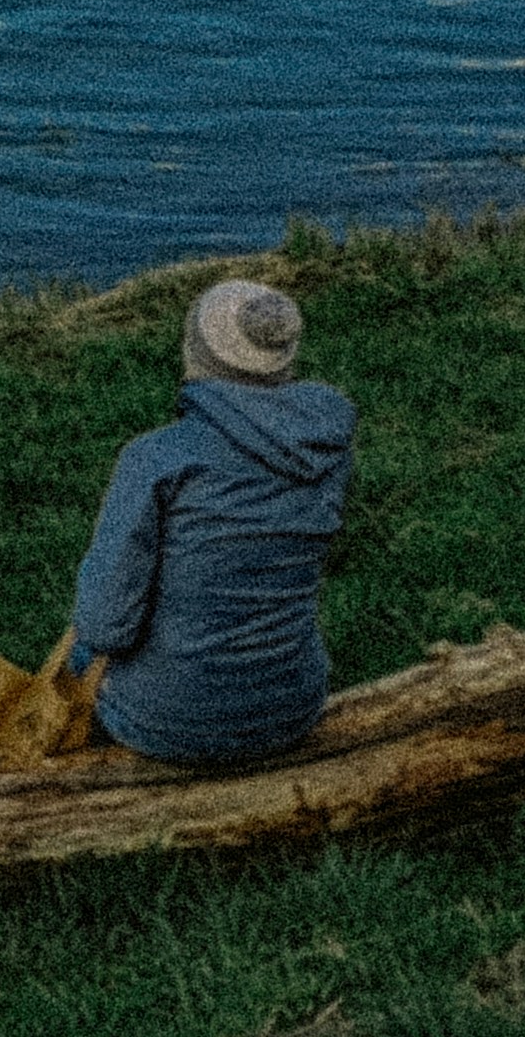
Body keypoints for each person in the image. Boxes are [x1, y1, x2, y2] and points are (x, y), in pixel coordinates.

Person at [67, 279, 354, 766]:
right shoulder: (328, 446)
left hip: (169, 722)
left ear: (196, 355)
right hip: (292, 709)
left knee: (78, 652)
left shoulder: (157, 458)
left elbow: (106, 625)